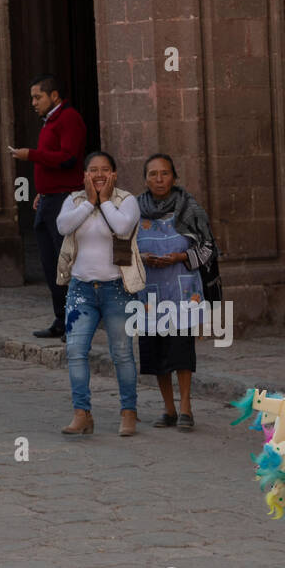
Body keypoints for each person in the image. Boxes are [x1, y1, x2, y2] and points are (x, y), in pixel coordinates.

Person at [56, 151, 144, 436]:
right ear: (84, 175)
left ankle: (128, 412)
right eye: (93, 170)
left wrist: (104, 201)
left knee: (121, 353)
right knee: (75, 351)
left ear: (114, 174)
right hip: (81, 289)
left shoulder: (126, 201)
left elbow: (121, 227)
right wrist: (90, 202)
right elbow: (63, 227)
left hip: (117, 289)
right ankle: (82, 413)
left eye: (105, 170)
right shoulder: (74, 201)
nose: (99, 175)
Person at [136, 153, 219, 430]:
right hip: (148, 293)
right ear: (145, 178)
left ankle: (186, 408)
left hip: (183, 291)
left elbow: (208, 248)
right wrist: (142, 257)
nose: (159, 179)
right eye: (153, 174)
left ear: (174, 177)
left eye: (165, 173)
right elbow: (122, 247)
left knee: (181, 350)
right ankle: (168, 409)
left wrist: (181, 257)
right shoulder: (133, 209)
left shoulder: (190, 208)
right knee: (156, 351)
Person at [10, 75, 88, 339]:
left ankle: (76, 322)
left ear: (54, 96)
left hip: (63, 200)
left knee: (66, 262)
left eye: (37, 97)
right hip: (48, 199)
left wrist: (30, 155)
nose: (33, 102)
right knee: (50, 263)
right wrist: (41, 192)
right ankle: (60, 318)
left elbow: (68, 159)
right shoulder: (49, 122)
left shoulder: (68, 118)